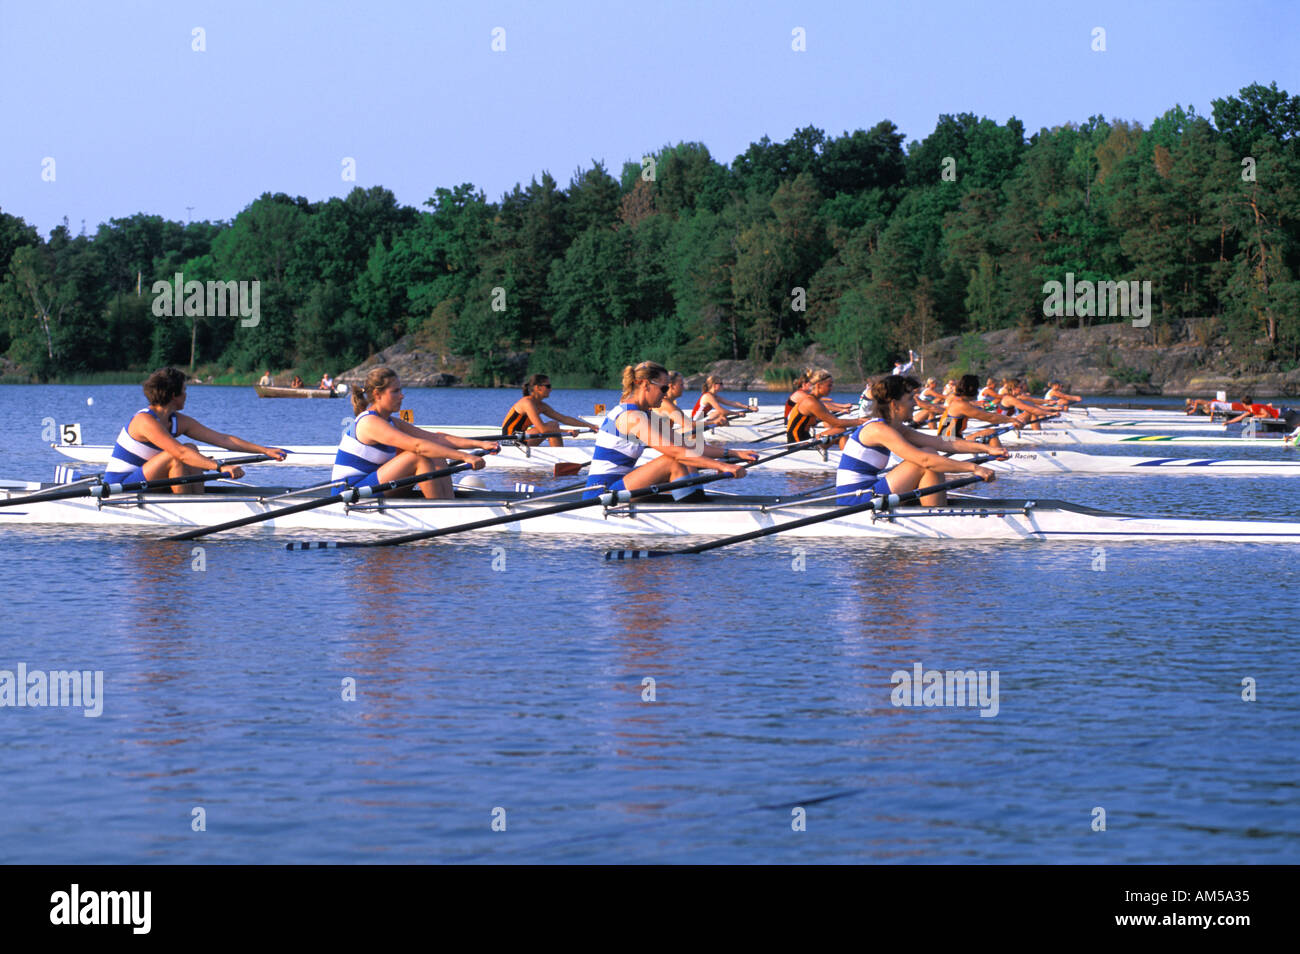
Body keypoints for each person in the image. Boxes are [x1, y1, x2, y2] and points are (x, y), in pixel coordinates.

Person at [585, 361, 756, 501]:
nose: (666, 394)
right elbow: (676, 453)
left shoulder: (646, 415)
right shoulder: (632, 417)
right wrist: (722, 466)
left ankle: (695, 503)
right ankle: (694, 510)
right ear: (645, 385)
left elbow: (686, 445)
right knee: (672, 461)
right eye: (664, 388)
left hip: (622, 485)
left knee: (686, 458)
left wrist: (734, 453)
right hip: (601, 493)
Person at [103, 367, 287, 494]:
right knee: (177, 455)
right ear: (174, 395)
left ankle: (197, 501)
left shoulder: (177, 421)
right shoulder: (144, 421)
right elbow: (180, 453)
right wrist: (220, 467)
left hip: (146, 481)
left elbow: (223, 439)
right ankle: (188, 508)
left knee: (191, 448)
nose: (187, 395)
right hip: (120, 487)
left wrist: (265, 450)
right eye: (184, 390)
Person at [836, 374, 1003, 507]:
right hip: (854, 499)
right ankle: (937, 516)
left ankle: (936, 512)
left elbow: (943, 442)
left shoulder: (895, 427)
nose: (914, 405)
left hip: (870, 487)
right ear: (894, 404)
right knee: (925, 459)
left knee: (930, 453)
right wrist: (973, 468)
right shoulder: (878, 429)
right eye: (910, 399)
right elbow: (988, 416)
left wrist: (987, 449)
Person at [332, 367, 498, 499]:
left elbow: (436, 438)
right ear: (377, 394)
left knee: (435, 452)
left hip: (374, 485)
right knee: (417, 456)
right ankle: (442, 511)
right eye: (395, 391)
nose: (402, 396)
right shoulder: (369, 422)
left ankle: (447, 503)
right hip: (351, 491)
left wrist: (480, 444)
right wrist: (464, 457)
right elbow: (418, 446)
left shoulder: (391, 421)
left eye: (400, 390)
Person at [501, 374, 599, 446]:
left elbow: (564, 419)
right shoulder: (527, 403)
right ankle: (559, 457)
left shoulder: (542, 406)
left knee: (553, 424)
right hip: (510, 440)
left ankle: (558, 455)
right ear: (537, 388)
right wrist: (567, 430)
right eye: (548, 386)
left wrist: (590, 426)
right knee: (551, 427)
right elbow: (542, 429)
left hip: (522, 437)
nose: (551, 389)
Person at [939, 374, 1023, 451]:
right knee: (991, 433)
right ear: (972, 389)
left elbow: (984, 414)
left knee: (990, 433)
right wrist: (1013, 420)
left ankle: (998, 454)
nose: (978, 392)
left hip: (953, 439)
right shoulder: (961, 405)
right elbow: (990, 417)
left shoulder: (961, 402)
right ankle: (1000, 454)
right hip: (948, 443)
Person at [786, 369, 870, 443]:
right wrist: (862, 421)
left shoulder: (814, 400)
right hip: (798, 443)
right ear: (818, 386)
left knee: (841, 432)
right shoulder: (811, 402)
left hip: (805, 438)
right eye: (829, 385)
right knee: (841, 430)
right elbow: (837, 423)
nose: (831, 388)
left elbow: (831, 419)